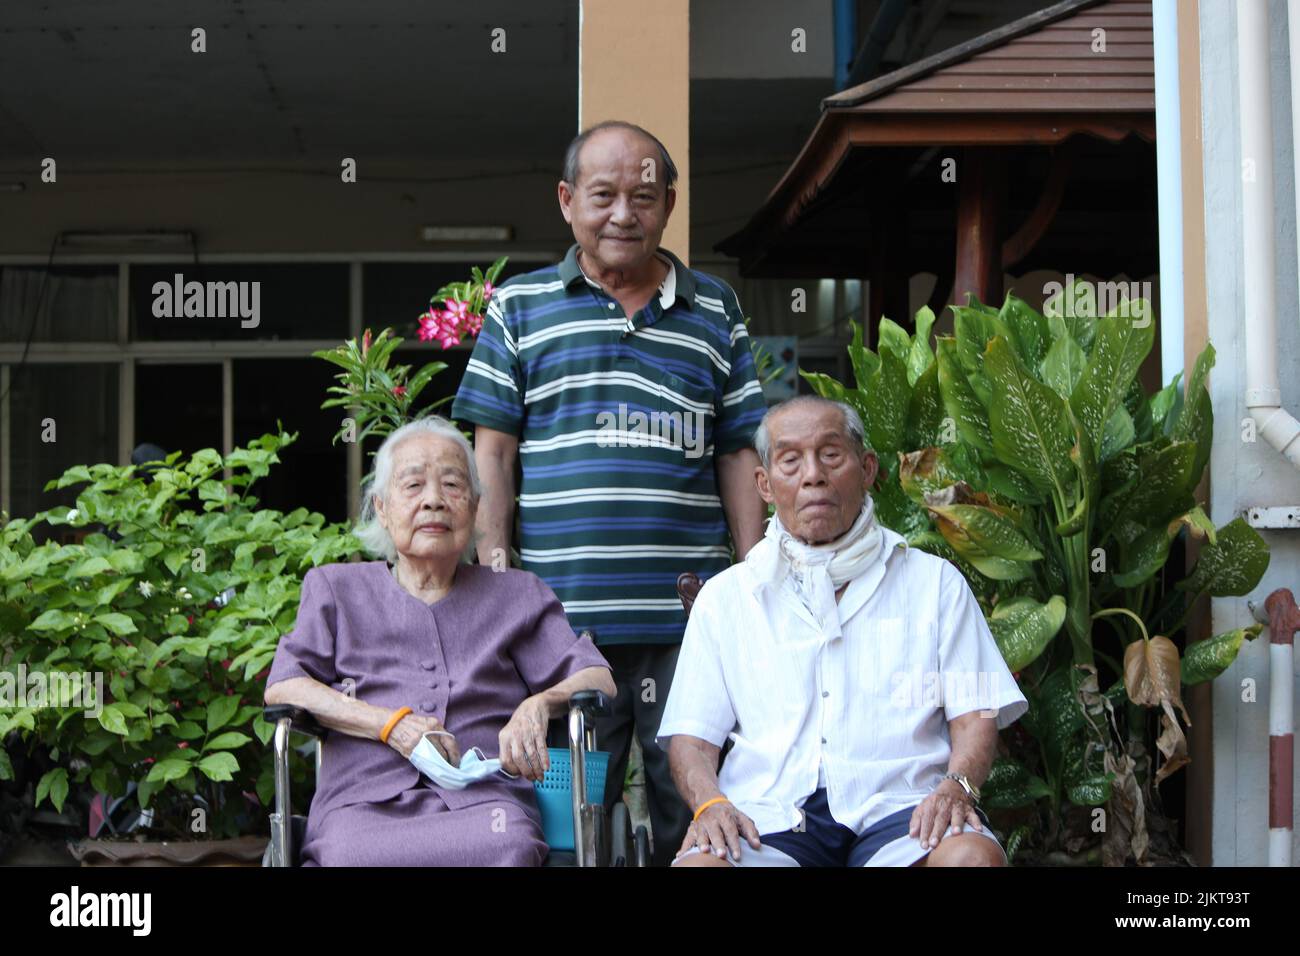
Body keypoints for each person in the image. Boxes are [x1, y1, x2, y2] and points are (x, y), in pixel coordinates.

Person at [451, 120, 770, 866]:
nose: (623, 213)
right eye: (603, 196)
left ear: (668, 204)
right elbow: (492, 451)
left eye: (643, 196)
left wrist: (757, 576)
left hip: (687, 624)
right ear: (567, 202)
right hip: (561, 624)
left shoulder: (714, 310)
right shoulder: (520, 308)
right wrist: (496, 572)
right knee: (567, 830)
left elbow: (737, 449)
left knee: (690, 812)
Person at [659, 395, 1029, 867]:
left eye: (831, 455)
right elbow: (692, 740)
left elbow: (974, 714)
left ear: (868, 468)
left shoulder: (934, 583)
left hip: (905, 810)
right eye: (790, 460)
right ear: (765, 485)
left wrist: (957, 786)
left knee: (970, 861)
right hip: (767, 815)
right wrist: (710, 804)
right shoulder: (727, 597)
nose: (813, 474)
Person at [263, 416, 615, 866]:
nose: (434, 501)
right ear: (382, 508)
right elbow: (285, 686)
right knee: (349, 854)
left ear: (474, 506)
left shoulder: (516, 594)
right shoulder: (337, 590)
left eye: (452, 485)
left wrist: (539, 704)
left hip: (484, 804)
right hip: (361, 804)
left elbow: (598, 678)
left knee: (506, 846)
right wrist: (389, 725)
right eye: (413, 486)